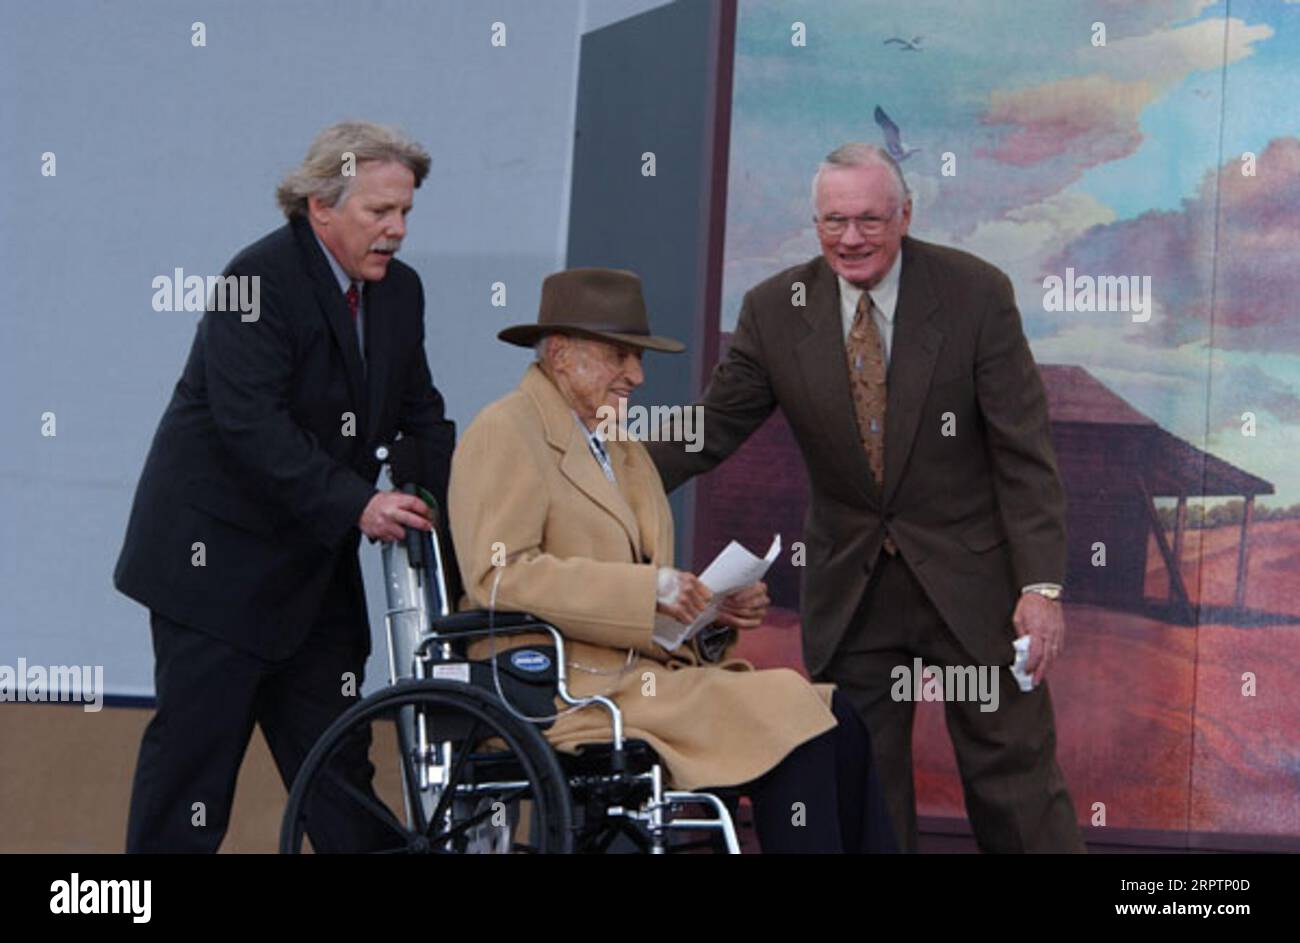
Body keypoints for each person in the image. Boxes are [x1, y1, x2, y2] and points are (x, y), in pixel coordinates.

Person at [648, 143, 1084, 853]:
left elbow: (1024, 453)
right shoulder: (774, 310)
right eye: (833, 221)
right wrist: (598, 464)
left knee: (1015, 782)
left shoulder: (976, 293)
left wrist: (1040, 584)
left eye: (870, 220)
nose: (851, 238)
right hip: (852, 593)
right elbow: (707, 431)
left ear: (906, 214)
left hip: (976, 585)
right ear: (814, 222)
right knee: (867, 792)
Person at [448, 268, 896, 853]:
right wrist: (648, 590)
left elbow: (650, 602)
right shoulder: (507, 429)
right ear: (561, 355)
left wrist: (711, 612)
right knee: (795, 723)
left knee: (838, 718)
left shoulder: (622, 447)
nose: (636, 375)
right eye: (619, 356)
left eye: (636, 358)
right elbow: (500, 576)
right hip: (558, 685)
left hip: (641, 676)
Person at [114, 121, 455, 852]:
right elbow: (249, 426)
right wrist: (361, 503)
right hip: (214, 576)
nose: (396, 230)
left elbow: (420, 412)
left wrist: (435, 495)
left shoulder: (401, 294)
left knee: (338, 778)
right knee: (192, 781)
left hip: (312, 577)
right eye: (379, 212)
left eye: (405, 213)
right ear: (319, 205)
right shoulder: (255, 281)